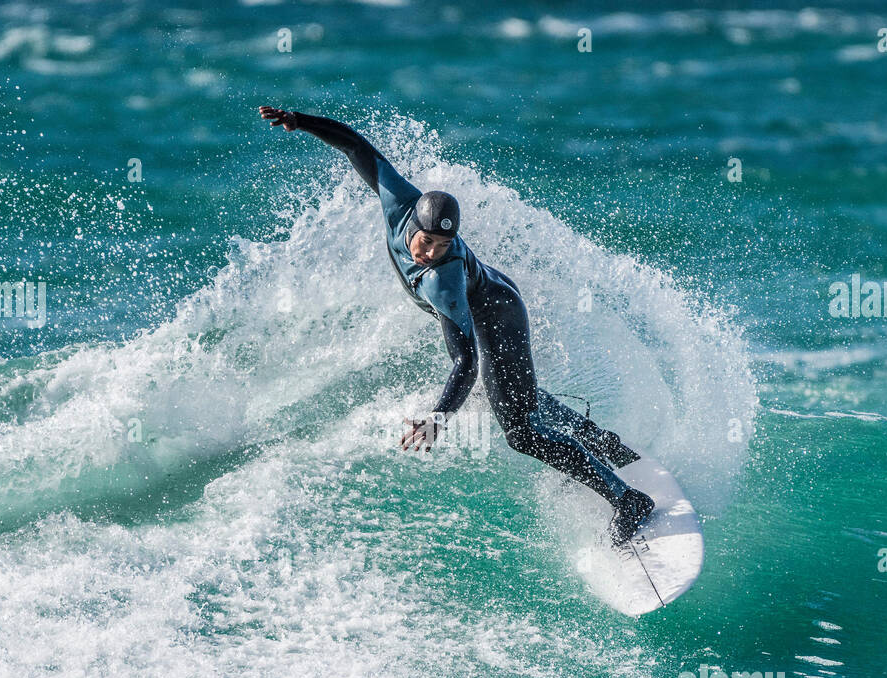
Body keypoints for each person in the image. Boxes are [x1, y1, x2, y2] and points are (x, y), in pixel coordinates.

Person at [257, 106, 655, 544]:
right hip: (494, 291)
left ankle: (626, 498)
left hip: (499, 315)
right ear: (415, 223)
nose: (431, 253)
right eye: (427, 242)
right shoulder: (400, 201)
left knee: (520, 431)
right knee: (509, 394)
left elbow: (465, 360)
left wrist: (437, 419)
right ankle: (603, 444)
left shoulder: (444, 281)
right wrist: (301, 120)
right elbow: (355, 146)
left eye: (443, 246)